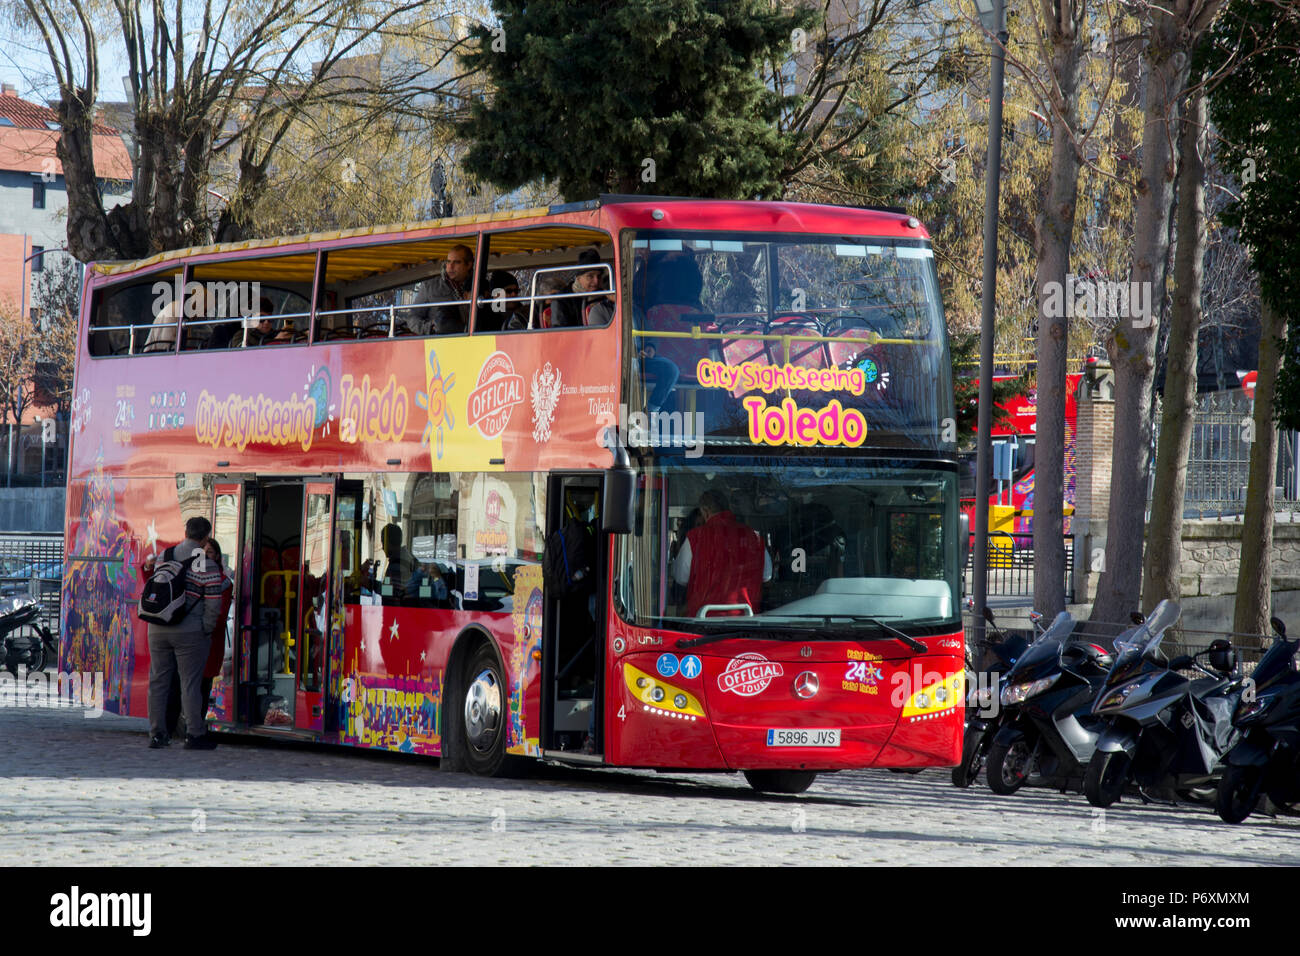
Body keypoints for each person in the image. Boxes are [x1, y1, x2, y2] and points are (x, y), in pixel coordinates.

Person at [144, 516, 226, 749]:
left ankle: (158, 734)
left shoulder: (165, 555)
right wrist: (206, 629)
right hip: (189, 630)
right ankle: (195, 734)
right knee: (190, 683)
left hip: (158, 626)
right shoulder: (204, 562)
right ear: (206, 536)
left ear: (186, 532)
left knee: (158, 682)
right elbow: (212, 602)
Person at [671, 489, 772, 617]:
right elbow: (767, 576)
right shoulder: (754, 537)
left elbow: (681, 577)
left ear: (705, 512)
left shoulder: (695, 537)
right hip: (746, 620)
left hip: (703, 620)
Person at [412, 244, 474, 335]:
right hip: (439, 343)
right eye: (448, 262)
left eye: (456, 262)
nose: (450, 266)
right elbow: (412, 317)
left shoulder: (479, 286)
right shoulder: (429, 286)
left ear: (469, 265)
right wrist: (431, 328)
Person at [551, 248, 609, 327]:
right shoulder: (562, 300)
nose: (596, 281)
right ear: (578, 278)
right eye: (590, 276)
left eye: (599, 276)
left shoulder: (606, 295)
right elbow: (560, 333)